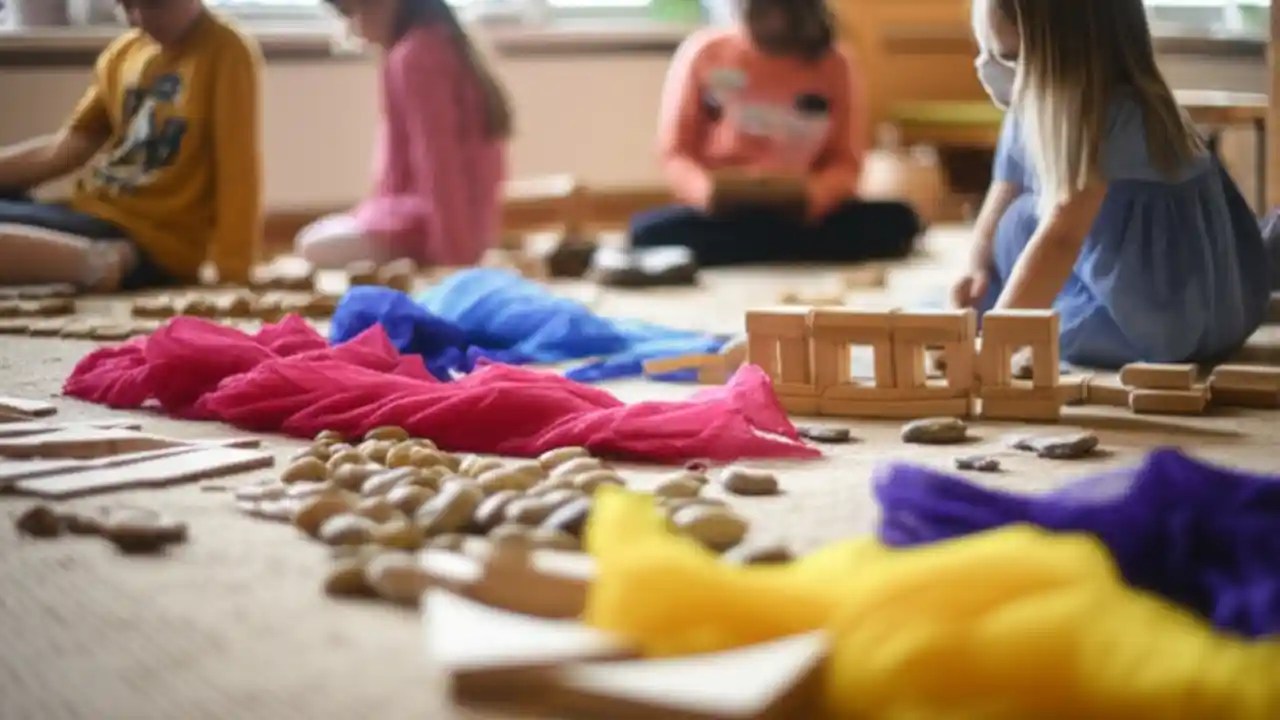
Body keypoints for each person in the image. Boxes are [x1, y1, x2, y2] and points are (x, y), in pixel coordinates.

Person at [956, 0, 1271, 368]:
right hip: (1225, 312)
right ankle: (1004, 310)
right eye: (986, 52)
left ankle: (1017, 320)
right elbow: (1006, 185)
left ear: (1068, 55)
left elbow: (1060, 239)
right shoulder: (1044, 100)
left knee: (1020, 225)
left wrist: (993, 347)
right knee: (1012, 221)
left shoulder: (1106, 115)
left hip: (1162, 323)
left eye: (1009, 57)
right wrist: (975, 265)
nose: (990, 71)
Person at [628, 0, 921, 267]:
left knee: (899, 220)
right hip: (725, 214)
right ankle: (779, 248)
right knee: (645, 232)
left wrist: (814, 196)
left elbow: (846, 161)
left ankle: (762, 247)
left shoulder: (835, 63)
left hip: (804, 214)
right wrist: (707, 193)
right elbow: (675, 152)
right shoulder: (705, 53)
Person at [0, 0, 263, 290]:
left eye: (152, 6)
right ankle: (83, 258)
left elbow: (237, 168)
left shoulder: (226, 51)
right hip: (91, 214)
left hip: (153, 243)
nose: (136, 19)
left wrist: (233, 271)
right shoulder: (123, 54)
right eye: (125, 6)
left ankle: (96, 263)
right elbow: (65, 149)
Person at [296, 0, 511, 269]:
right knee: (322, 235)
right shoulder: (443, 43)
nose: (352, 29)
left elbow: (438, 163)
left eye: (352, 15)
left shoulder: (416, 57)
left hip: (431, 225)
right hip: (450, 223)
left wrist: (455, 257)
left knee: (313, 244)